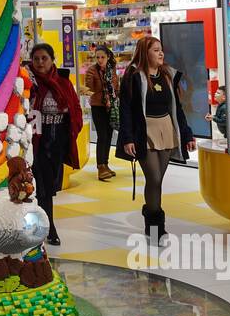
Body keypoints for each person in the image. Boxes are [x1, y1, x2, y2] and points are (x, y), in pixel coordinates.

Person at [117, 35, 196, 243]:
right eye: (155, 50)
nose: (161, 53)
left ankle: (152, 221)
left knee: (158, 180)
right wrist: (127, 138)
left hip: (167, 130)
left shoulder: (168, 75)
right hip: (145, 133)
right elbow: (125, 109)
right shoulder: (134, 76)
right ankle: (156, 228)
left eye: (161, 50)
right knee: (154, 178)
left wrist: (187, 134)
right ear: (145, 53)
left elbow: (177, 108)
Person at [28, 42, 83, 247]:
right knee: (41, 188)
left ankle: (43, 225)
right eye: (36, 59)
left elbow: (75, 107)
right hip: (36, 142)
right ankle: (48, 228)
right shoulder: (28, 82)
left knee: (49, 187)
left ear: (52, 60)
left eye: (44, 58)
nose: (40, 62)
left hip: (57, 141)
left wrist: (72, 129)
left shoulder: (63, 82)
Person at [82, 44, 119, 181]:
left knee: (109, 135)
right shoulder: (92, 70)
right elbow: (89, 88)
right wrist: (90, 83)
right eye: (98, 57)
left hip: (111, 106)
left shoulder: (112, 70)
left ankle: (106, 164)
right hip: (98, 106)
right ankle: (100, 167)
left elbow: (116, 87)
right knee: (102, 136)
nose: (100, 60)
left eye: (103, 57)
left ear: (108, 57)